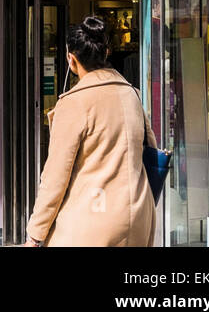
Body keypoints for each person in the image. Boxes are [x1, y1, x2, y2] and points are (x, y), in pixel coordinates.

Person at [25, 16, 156, 247]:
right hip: (138, 216)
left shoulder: (74, 103)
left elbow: (55, 177)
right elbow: (151, 151)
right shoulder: (132, 94)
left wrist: (35, 234)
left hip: (92, 219)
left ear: (71, 59)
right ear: (106, 53)